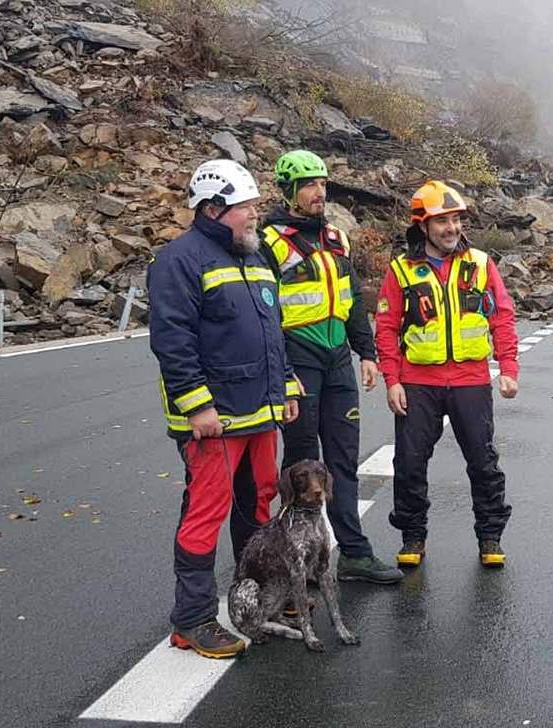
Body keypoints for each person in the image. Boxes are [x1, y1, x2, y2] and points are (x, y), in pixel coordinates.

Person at [147, 158, 302, 659]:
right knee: (205, 512)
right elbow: (173, 342)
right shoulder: (179, 260)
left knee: (257, 507)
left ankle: (251, 598)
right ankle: (190, 621)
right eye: (247, 206)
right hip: (214, 420)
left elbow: (272, 334)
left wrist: (288, 386)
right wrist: (197, 407)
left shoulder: (255, 258)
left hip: (260, 412)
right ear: (214, 210)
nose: (256, 214)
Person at [260, 149, 403, 584]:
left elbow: (353, 300)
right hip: (298, 356)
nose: (319, 191)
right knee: (302, 464)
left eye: (322, 183)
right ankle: (294, 561)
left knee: (342, 462)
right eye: (308, 184)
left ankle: (354, 555)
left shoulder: (336, 238)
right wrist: (280, 373)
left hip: (338, 357)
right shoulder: (268, 243)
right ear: (288, 191)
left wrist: (367, 352)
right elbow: (265, 315)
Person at [374, 180, 520, 568]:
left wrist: (508, 368)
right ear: (422, 226)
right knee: (409, 464)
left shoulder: (481, 263)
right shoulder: (401, 271)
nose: (452, 228)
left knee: (483, 462)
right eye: (442, 221)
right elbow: (386, 329)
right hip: (418, 383)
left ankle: (490, 536)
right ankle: (412, 536)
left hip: (471, 381)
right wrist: (392, 381)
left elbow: (501, 317)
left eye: (456, 219)